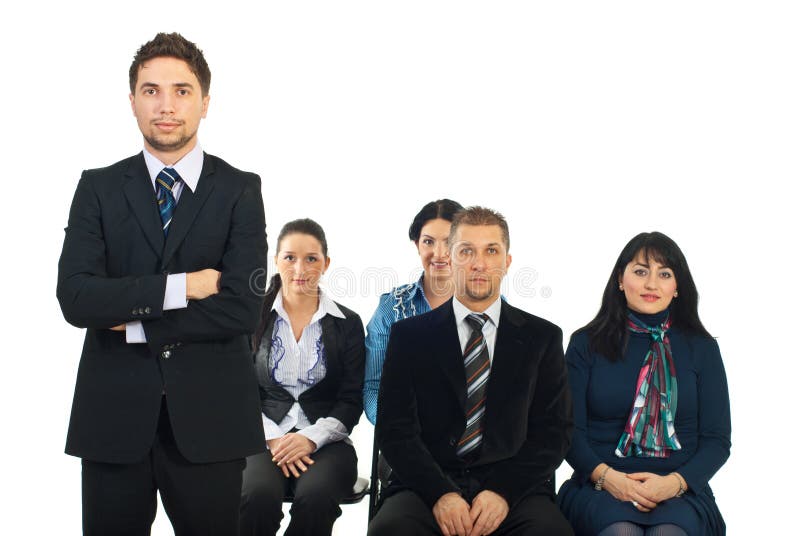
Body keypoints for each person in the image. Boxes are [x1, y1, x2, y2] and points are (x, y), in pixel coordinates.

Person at [56, 33, 267, 535]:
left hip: (212, 422)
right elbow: (78, 296)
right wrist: (185, 286)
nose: (166, 106)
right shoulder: (98, 187)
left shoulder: (240, 189)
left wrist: (131, 324)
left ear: (205, 102)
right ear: (132, 102)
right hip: (113, 420)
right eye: (151, 91)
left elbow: (241, 309)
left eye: (182, 90)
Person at [368, 206, 573, 536]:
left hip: (512, 487)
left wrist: (503, 493)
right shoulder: (409, 336)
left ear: (507, 262)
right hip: (427, 483)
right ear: (449, 259)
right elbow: (396, 429)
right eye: (467, 251)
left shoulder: (542, 337)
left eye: (491, 251)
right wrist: (441, 494)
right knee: (390, 529)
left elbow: (554, 431)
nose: (479, 263)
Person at [556, 232, 731, 536]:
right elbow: (569, 434)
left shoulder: (702, 348)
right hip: (600, 486)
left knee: (669, 533)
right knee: (621, 532)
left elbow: (717, 440)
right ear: (620, 281)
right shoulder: (585, 344)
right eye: (640, 271)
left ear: (677, 287)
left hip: (682, 489)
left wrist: (673, 484)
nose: (652, 284)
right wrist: (611, 480)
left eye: (664, 274)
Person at [240, 219, 365, 535]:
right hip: (262, 439)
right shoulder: (250, 318)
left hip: (328, 443)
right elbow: (238, 392)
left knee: (316, 498)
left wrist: (309, 438)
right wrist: (276, 440)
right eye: (290, 257)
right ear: (276, 261)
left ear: (326, 263)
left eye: (312, 258)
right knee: (256, 496)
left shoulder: (347, 323)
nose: (300, 268)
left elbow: (351, 401)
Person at [363, 198, 463, 424]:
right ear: (417, 244)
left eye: (450, 242)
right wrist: (401, 431)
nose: (439, 253)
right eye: (428, 242)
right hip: (407, 439)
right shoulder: (392, 309)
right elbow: (374, 388)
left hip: (475, 444)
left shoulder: (488, 305)